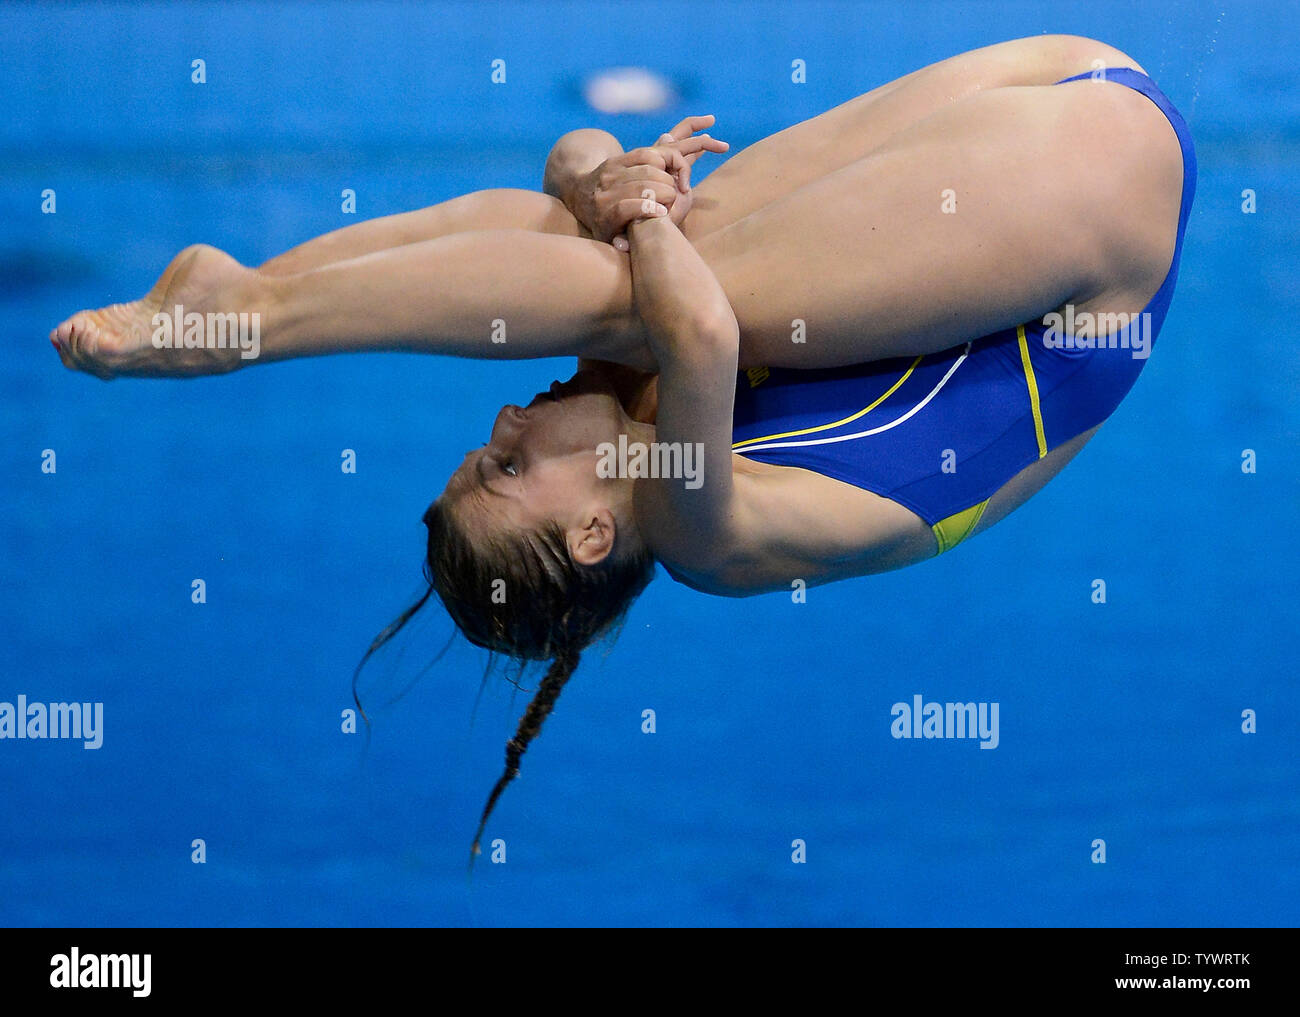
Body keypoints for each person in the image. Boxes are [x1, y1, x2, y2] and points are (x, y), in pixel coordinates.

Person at [49, 35, 1196, 857]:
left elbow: (569, 159)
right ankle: (245, 322)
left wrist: (602, 185)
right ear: (596, 530)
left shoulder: (638, 437)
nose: (504, 422)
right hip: (1098, 206)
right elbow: (690, 321)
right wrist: (628, 200)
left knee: (607, 249)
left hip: (1055, 101)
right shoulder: (702, 534)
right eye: (508, 468)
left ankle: (259, 288)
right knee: (638, 289)